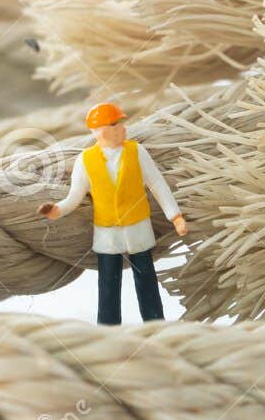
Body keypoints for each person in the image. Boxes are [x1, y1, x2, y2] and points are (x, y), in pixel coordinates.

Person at [39, 102, 188, 325]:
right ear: (101, 130)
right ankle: (108, 328)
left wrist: (175, 216)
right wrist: (57, 210)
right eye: (116, 124)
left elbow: (157, 184)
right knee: (108, 283)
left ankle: (155, 323)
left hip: (137, 226)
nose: (123, 128)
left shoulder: (136, 152)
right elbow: (75, 196)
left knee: (146, 278)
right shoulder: (85, 160)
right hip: (107, 231)